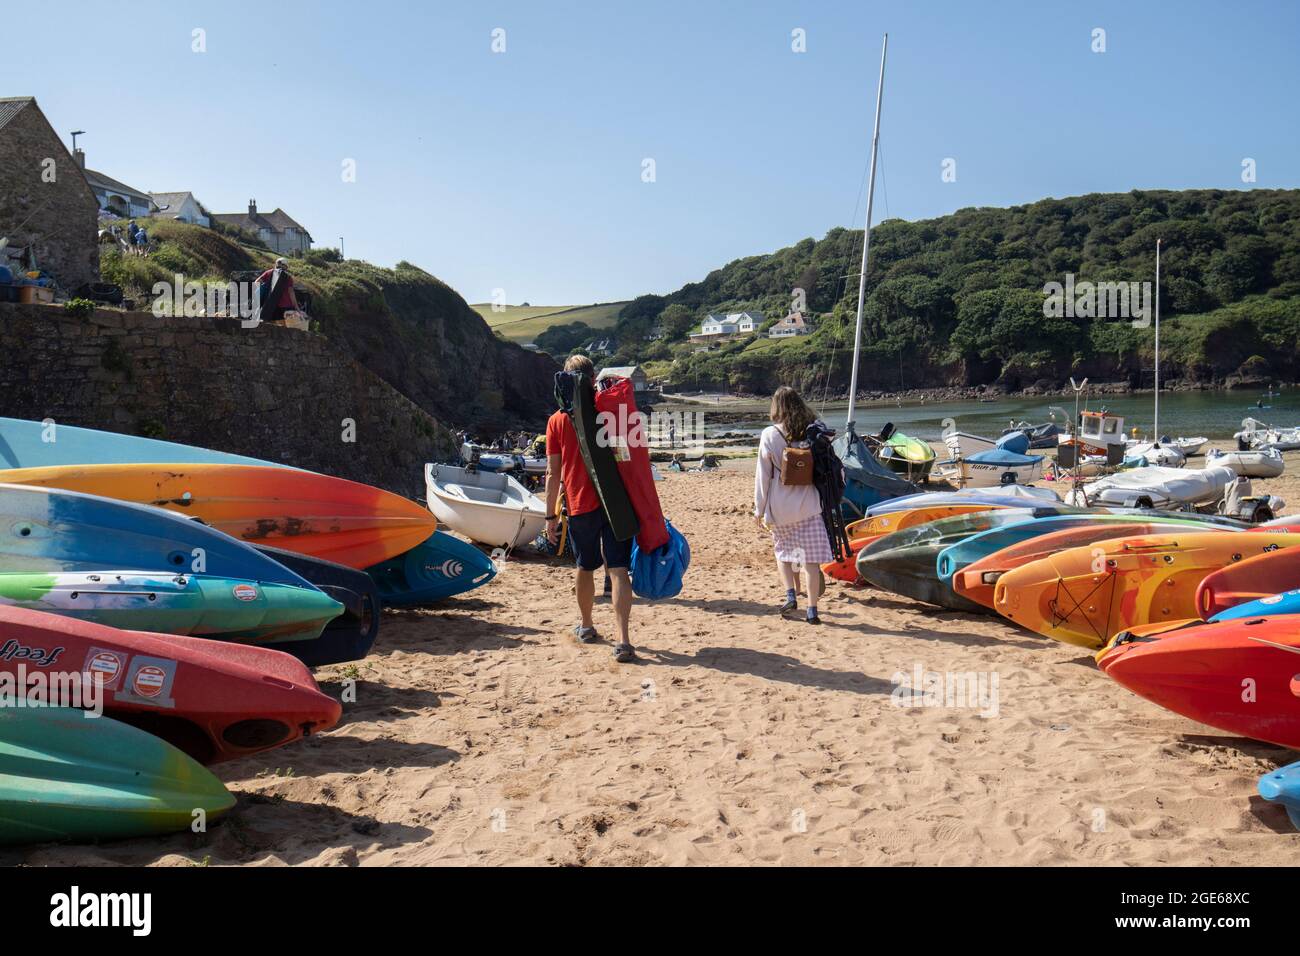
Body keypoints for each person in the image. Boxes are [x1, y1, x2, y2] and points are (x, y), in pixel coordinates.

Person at [545, 354, 636, 662]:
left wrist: (549, 516)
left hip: (580, 503)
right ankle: (623, 640)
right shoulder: (608, 412)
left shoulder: (557, 420)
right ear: (593, 377)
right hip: (616, 502)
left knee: (585, 566)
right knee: (619, 569)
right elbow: (627, 457)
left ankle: (586, 626)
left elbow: (552, 473)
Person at [754, 386, 833, 624]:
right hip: (809, 505)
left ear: (776, 406)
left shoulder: (769, 435)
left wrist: (758, 509)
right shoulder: (813, 431)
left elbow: (762, 476)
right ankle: (812, 610)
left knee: (783, 553)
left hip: (780, 507)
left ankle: (790, 595)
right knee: (811, 562)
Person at [254, 257, 301, 324]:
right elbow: (291, 293)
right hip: (285, 306)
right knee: (284, 326)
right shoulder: (288, 277)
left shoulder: (269, 273)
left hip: (270, 305)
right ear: (285, 266)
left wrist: (265, 288)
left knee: (271, 325)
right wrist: (296, 306)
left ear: (276, 264)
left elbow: (257, 282)